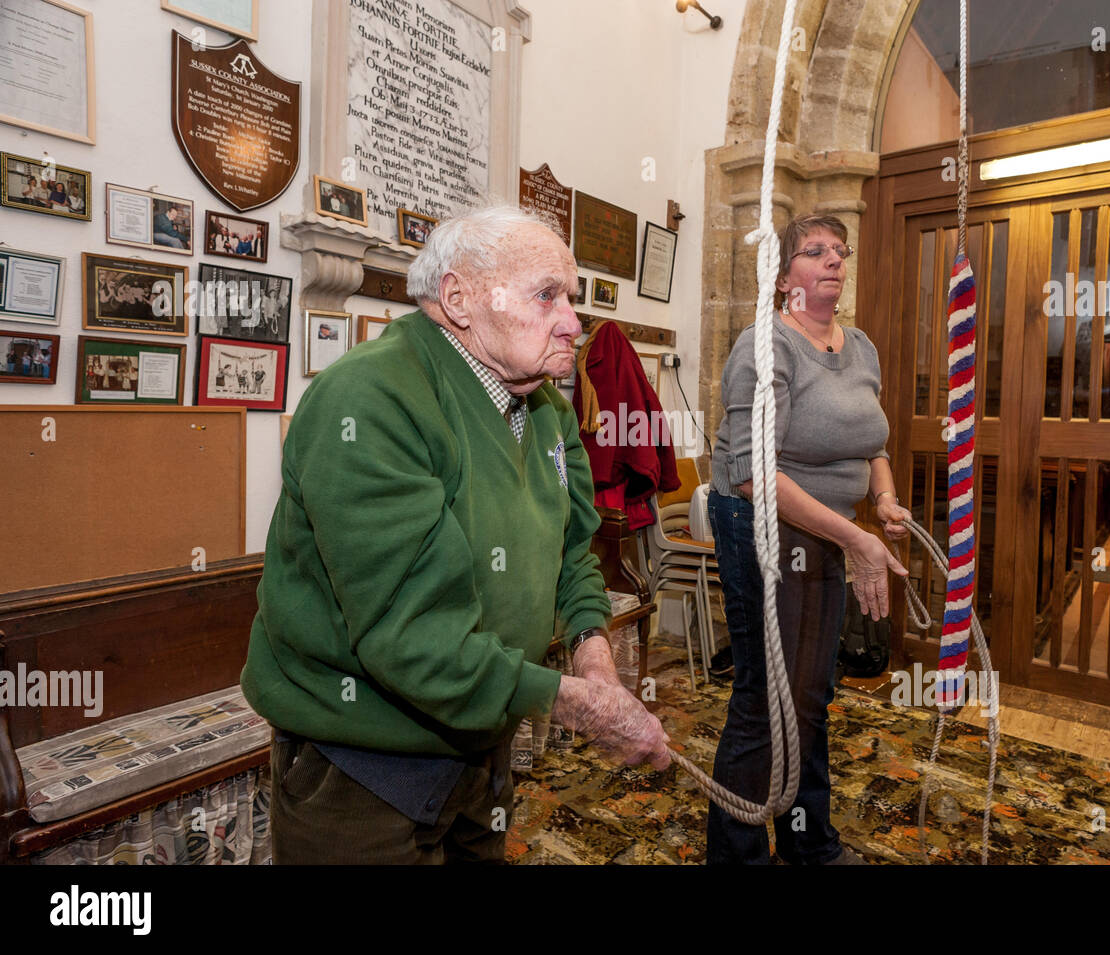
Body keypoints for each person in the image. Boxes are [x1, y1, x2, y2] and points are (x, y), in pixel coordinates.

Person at [241, 205, 670, 864]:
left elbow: (572, 554)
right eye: (547, 295)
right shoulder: (371, 399)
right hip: (366, 767)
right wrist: (574, 705)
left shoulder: (547, 409)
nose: (573, 323)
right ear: (459, 299)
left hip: (484, 744)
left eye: (572, 299)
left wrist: (594, 659)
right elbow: (412, 636)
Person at [706, 212, 909, 865]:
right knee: (767, 699)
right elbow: (751, 474)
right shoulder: (764, 346)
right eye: (815, 251)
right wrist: (856, 538)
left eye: (839, 251)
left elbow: (874, 443)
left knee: (812, 693)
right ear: (781, 274)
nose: (833, 261)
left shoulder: (862, 347)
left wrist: (884, 499)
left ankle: (808, 843)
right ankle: (736, 856)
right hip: (759, 526)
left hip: (824, 530)